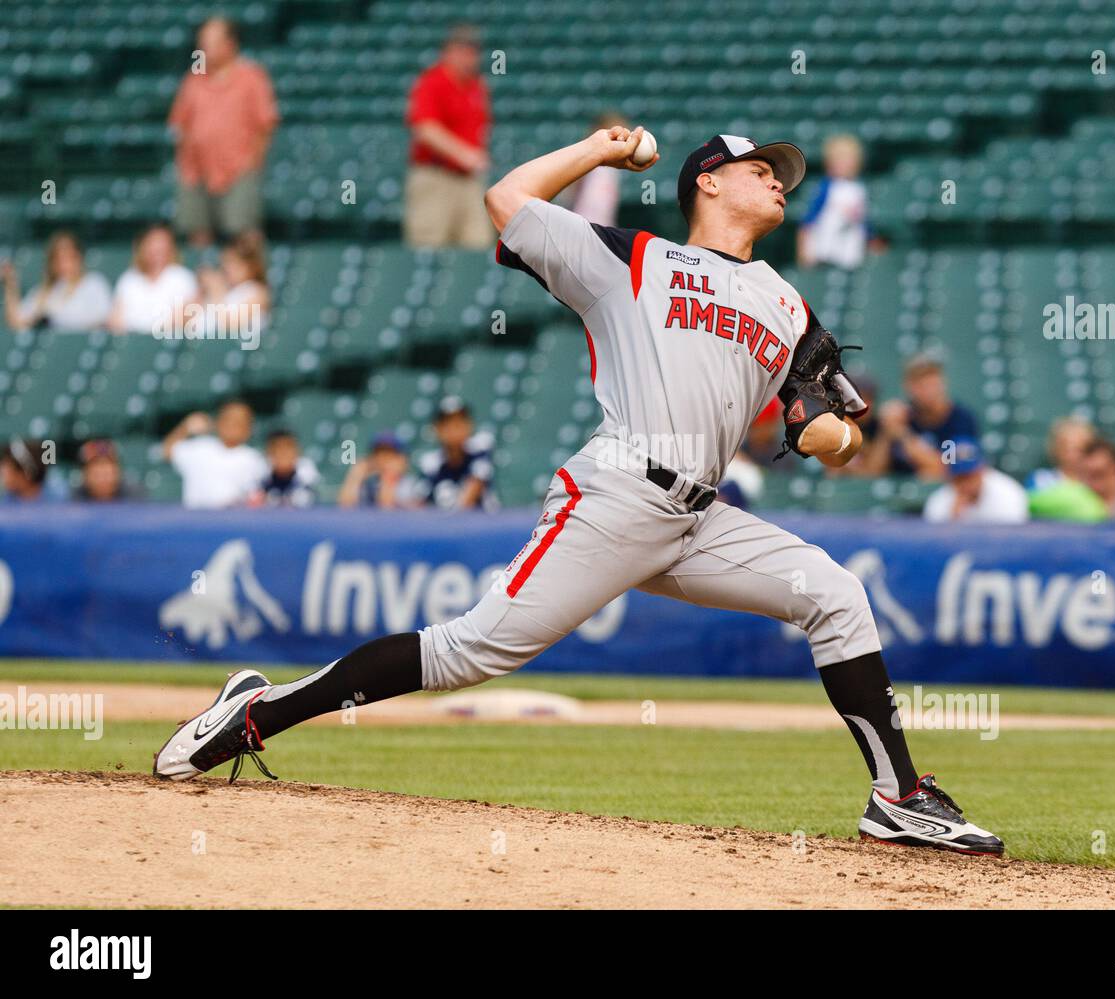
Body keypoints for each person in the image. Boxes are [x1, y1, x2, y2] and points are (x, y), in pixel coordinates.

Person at [155, 126, 1004, 857]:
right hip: (619, 494)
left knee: (836, 593)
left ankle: (897, 797)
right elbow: (505, 198)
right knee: (468, 652)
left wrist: (838, 439)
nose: (778, 180)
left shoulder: (785, 300)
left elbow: (836, 426)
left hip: (700, 515)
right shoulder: (631, 258)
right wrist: (601, 149)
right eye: (759, 168)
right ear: (707, 180)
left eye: (780, 172)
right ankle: (258, 712)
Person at [168, 17, 278, 247]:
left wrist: (251, 164)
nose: (204, 48)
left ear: (230, 44)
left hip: (239, 169)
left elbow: (266, 125)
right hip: (196, 172)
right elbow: (180, 123)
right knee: (197, 233)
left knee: (242, 232)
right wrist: (187, 163)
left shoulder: (251, 76)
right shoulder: (195, 77)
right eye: (202, 43)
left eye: (211, 42)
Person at [403, 24, 493, 249]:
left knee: (477, 244)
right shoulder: (433, 81)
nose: (468, 57)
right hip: (436, 176)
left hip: (469, 179)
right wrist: (464, 154)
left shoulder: (476, 85)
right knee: (429, 246)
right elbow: (425, 129)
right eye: (462, 50)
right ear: (448, 51)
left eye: (473, 51)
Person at [860, 355, 979, 479]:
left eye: (932, 383)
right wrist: (885, 431)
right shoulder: (901, 416)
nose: (928, 391)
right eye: (920, 385)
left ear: (943, 383)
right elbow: (871, 474)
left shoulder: (960, 419)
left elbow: (948, 470)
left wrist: (904, 435)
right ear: (908, 387)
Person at [796, 134, 881, 270]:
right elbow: (808, 222)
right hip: (824, 254)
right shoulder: (826, 187)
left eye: (849, 159)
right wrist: (804, 252)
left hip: (852, 254)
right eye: (840, 159)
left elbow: (863, 222)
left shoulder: (859, 189)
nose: (845, 164)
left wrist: (872, 241)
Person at [162, 400, 267, 508]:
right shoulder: (200, 447)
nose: (233, 425)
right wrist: (186, 427)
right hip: (196, 519)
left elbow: (257, 496)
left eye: (240, 421)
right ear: (218, 422)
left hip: (234, 520)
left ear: (249, 427)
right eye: (228, 419)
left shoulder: (255, 459)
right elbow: (167, 452)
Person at [1, 232, 112, 332]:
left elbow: (104, 320)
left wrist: (56, 315)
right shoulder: (46, 291)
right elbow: (18, 322)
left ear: (79, 257)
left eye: (70, 257)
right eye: (58, 259)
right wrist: (10, 284)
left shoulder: (94, 283)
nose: (65, 264)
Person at [107, 224, 198, 335]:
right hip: (133, 342)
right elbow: (116, 319)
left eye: (162, 243)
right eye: (152, 243)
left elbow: (187, 316)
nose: (157, 248)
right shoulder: (129, 279)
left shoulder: (182, 277)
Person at [415, 397, 497, 510]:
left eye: (460, 421)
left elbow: (471, 494)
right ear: (437, 428)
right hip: (445, 525)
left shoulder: (480, 448)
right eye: (448, 423)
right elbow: (420, 502)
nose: (455, 428)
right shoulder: (430, 462)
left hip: (485, 524)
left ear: (469, 425)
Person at [921, 438, 1029, 524]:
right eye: (959, 477)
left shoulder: (1008, 493)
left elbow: (1012, 540)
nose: (965, 483)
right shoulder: (939, 501)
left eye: (970, 475)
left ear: (982, 469)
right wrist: (952, 519)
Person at [195, 232, 271, 336]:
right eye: (225, 263)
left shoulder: (258, 293)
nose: (227, 269)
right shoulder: (226, 288)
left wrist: (216, 291)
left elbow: (229, 327)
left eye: (233, 263)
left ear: (250, 266)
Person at [567, 111, 626, 227]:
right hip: (584, 223)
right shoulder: (591, 158)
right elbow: (573, 190)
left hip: (602, 225)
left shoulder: (613, 165)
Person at [338, 432, 425, 509]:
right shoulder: (369, 484)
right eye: (379, 453)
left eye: (390, 453)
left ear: (402, 458)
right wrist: (355, 477)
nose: (383, 458)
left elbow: (387, 509)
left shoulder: (413, 484)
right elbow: (346, 506)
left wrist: (390, 478)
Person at [250, 429, 318, 508]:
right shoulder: (259, 476)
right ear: (268, 453)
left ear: (298, 451)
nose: (283, 453)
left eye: (288, 447)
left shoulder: (307, 474)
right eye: (278, 448)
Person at [74, 439, 144, 502]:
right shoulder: (75, 501)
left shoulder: (135, 498)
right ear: (85, 474)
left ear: (118, 472)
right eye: (97, 473)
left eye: (107, 473)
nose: (103, 479)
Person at [1, 439, 53, 503]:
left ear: (27, 473)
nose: (2, 473)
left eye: (8, 470)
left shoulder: (60, 501)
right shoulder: (5, 501)